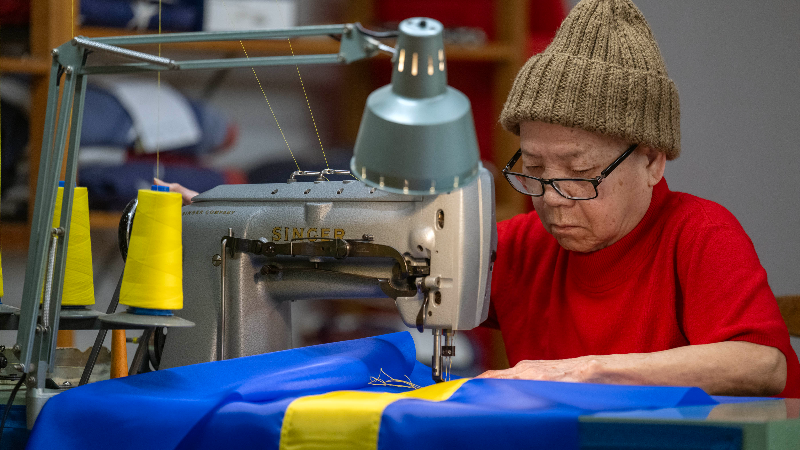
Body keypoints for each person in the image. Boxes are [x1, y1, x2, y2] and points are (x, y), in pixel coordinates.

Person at [476, 0, 800, 397]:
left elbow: (763, 364)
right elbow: (418, 275)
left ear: (651, 161)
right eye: (535, 169)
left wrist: (590, 371)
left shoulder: (700, 234)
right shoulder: (523, 248)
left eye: (580, 175)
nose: (552, 199)